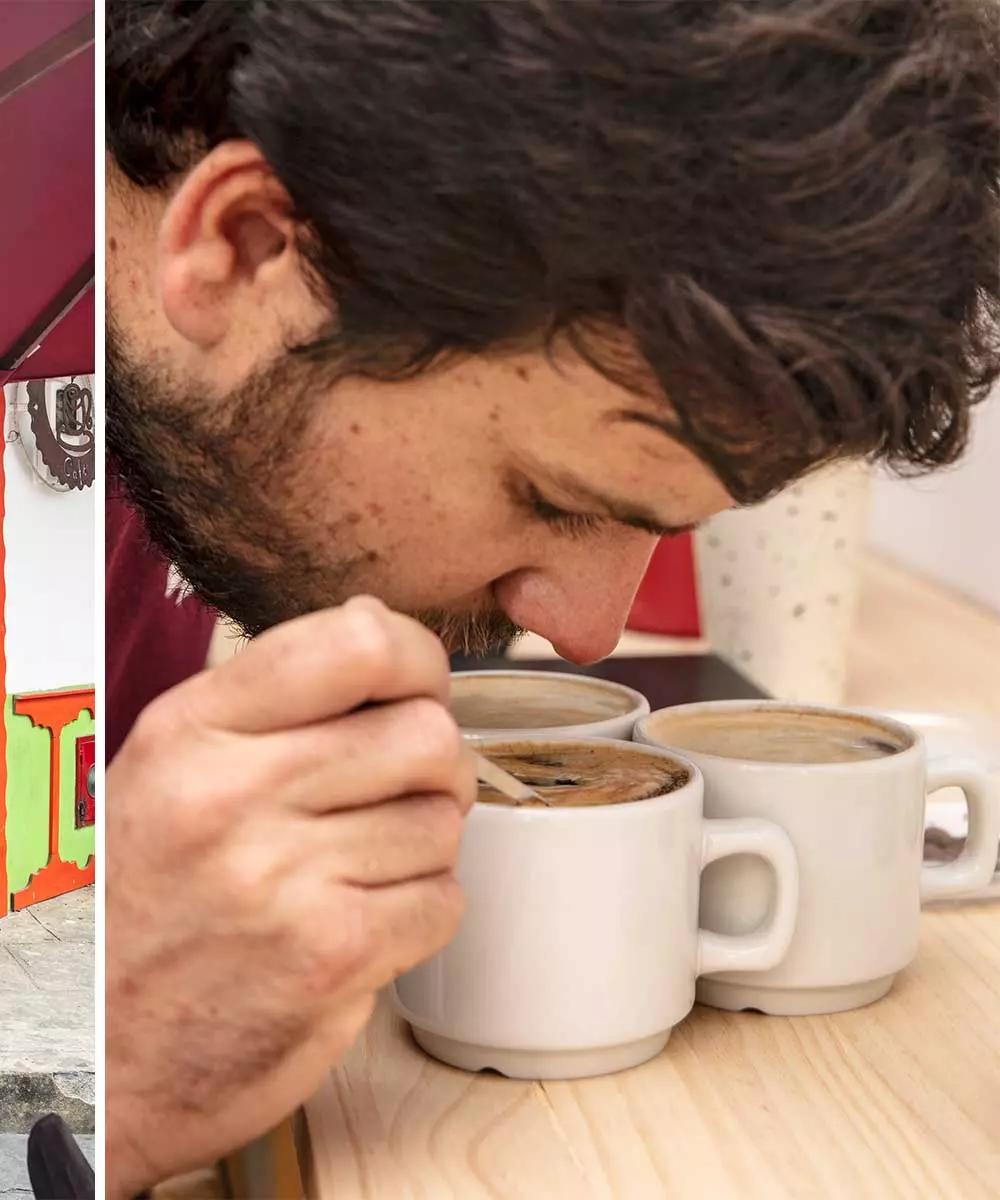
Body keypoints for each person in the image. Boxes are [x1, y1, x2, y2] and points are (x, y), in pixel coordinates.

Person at [103, 1, 1000, 1192]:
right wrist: (109, 1081)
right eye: (550, 496)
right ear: (255, 243)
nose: (585, 632)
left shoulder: (190, 445)